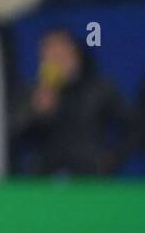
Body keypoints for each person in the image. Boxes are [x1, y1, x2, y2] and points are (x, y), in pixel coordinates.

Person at [9, 28, 136, 175]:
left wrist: (114, 158)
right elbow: (12, 136)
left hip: (89, 176)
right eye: (49, 55)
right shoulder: (33, 92)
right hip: (44, 178)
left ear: (76, 54)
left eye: (61, 53)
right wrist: (33, 111)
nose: (55, 59)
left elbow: (133, 127)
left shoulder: (100, 88)